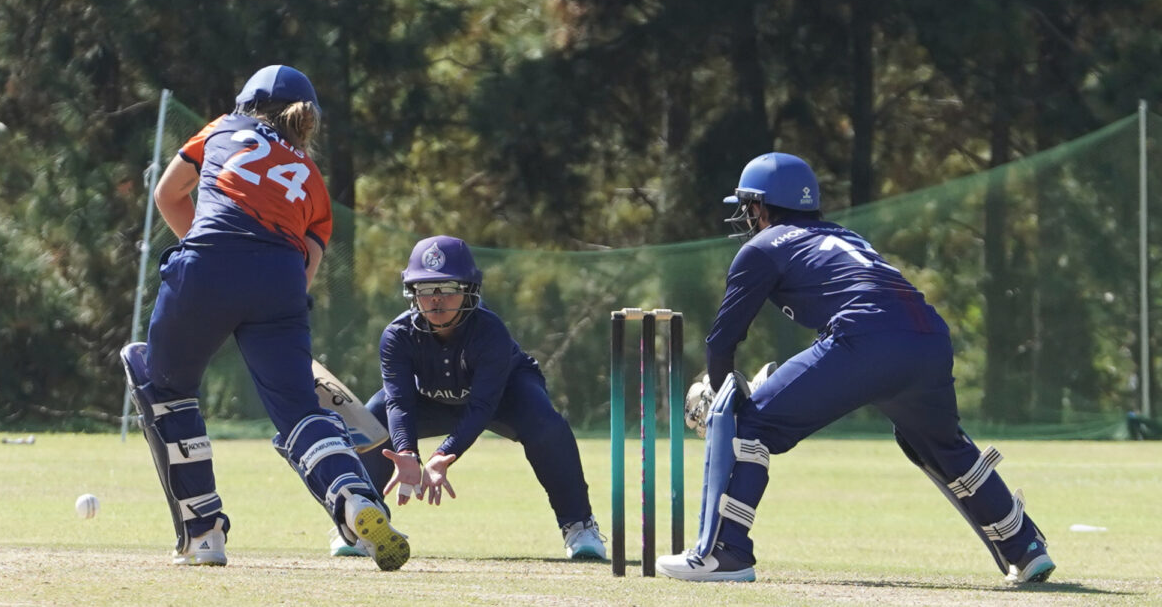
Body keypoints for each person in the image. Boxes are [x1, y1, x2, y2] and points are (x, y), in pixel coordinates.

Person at [656, 152, 1055, 583]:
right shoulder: (843, 235)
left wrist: (722, 397)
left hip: (866, 338)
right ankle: (1026, 547)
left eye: (749, 206)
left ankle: (726, 553)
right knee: (944, 446)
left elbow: (722, 341)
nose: (748, 216)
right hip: (928, 335)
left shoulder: (762, 247)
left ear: (761, 206)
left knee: (752, 426)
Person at [119, 65, 409, 570]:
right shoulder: (314, 183)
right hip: (280, 282)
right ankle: (355, 499)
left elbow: (168, 194)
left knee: (161, 385)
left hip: (208, 260)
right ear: (307, 123)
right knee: (300, 412)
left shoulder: (222, 129)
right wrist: (256, 306)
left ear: (246, 106)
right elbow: (302, 277)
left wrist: (215, 275)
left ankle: (204, 534)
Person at [329, 235, 607, 560]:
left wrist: (444, 453)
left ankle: (579, 525)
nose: (436, 299)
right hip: (431, 398)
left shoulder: (490, 331)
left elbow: (482, 405)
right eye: (425, 289)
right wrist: (406, 452)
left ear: (469, 290)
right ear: (412, 293)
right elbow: (398, 401)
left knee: (547, 426)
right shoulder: (396, 336)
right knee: (373, 419)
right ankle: (358, 523)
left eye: (448, 287)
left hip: (505, 393)